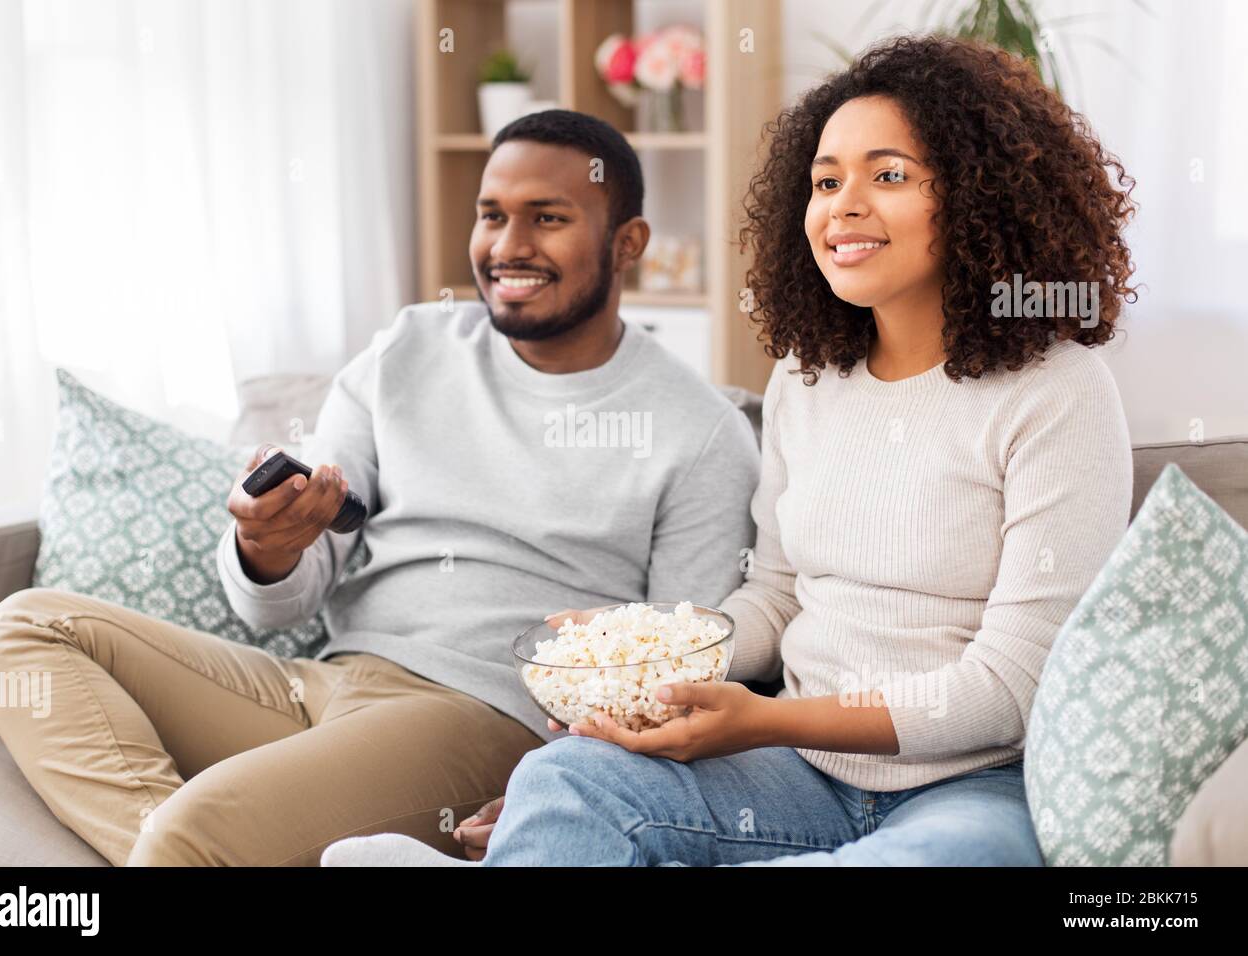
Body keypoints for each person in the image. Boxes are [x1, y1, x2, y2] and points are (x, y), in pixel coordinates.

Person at [347, 34, 1138, 867]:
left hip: (971, 790)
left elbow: (1013, 689)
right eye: (826, 180)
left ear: (982, 198)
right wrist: (645, 650)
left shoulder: (1057, 393)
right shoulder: (807, 380)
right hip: (797, 777)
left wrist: (763, 719)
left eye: (889, 175)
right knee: (565, 775)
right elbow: (778, 595)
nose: (844, 204)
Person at [0, 109, 760, 866]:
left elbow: (679, 682)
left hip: (478, 718)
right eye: (491, 215)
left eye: (547, 218)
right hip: (322, 680)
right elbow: (283, 600)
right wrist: (263, 548)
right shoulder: (409, 349)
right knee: (22, 632)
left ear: (628, 243)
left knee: (193, 833)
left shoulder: (700, 432)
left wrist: (567, 785)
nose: (507, 246)